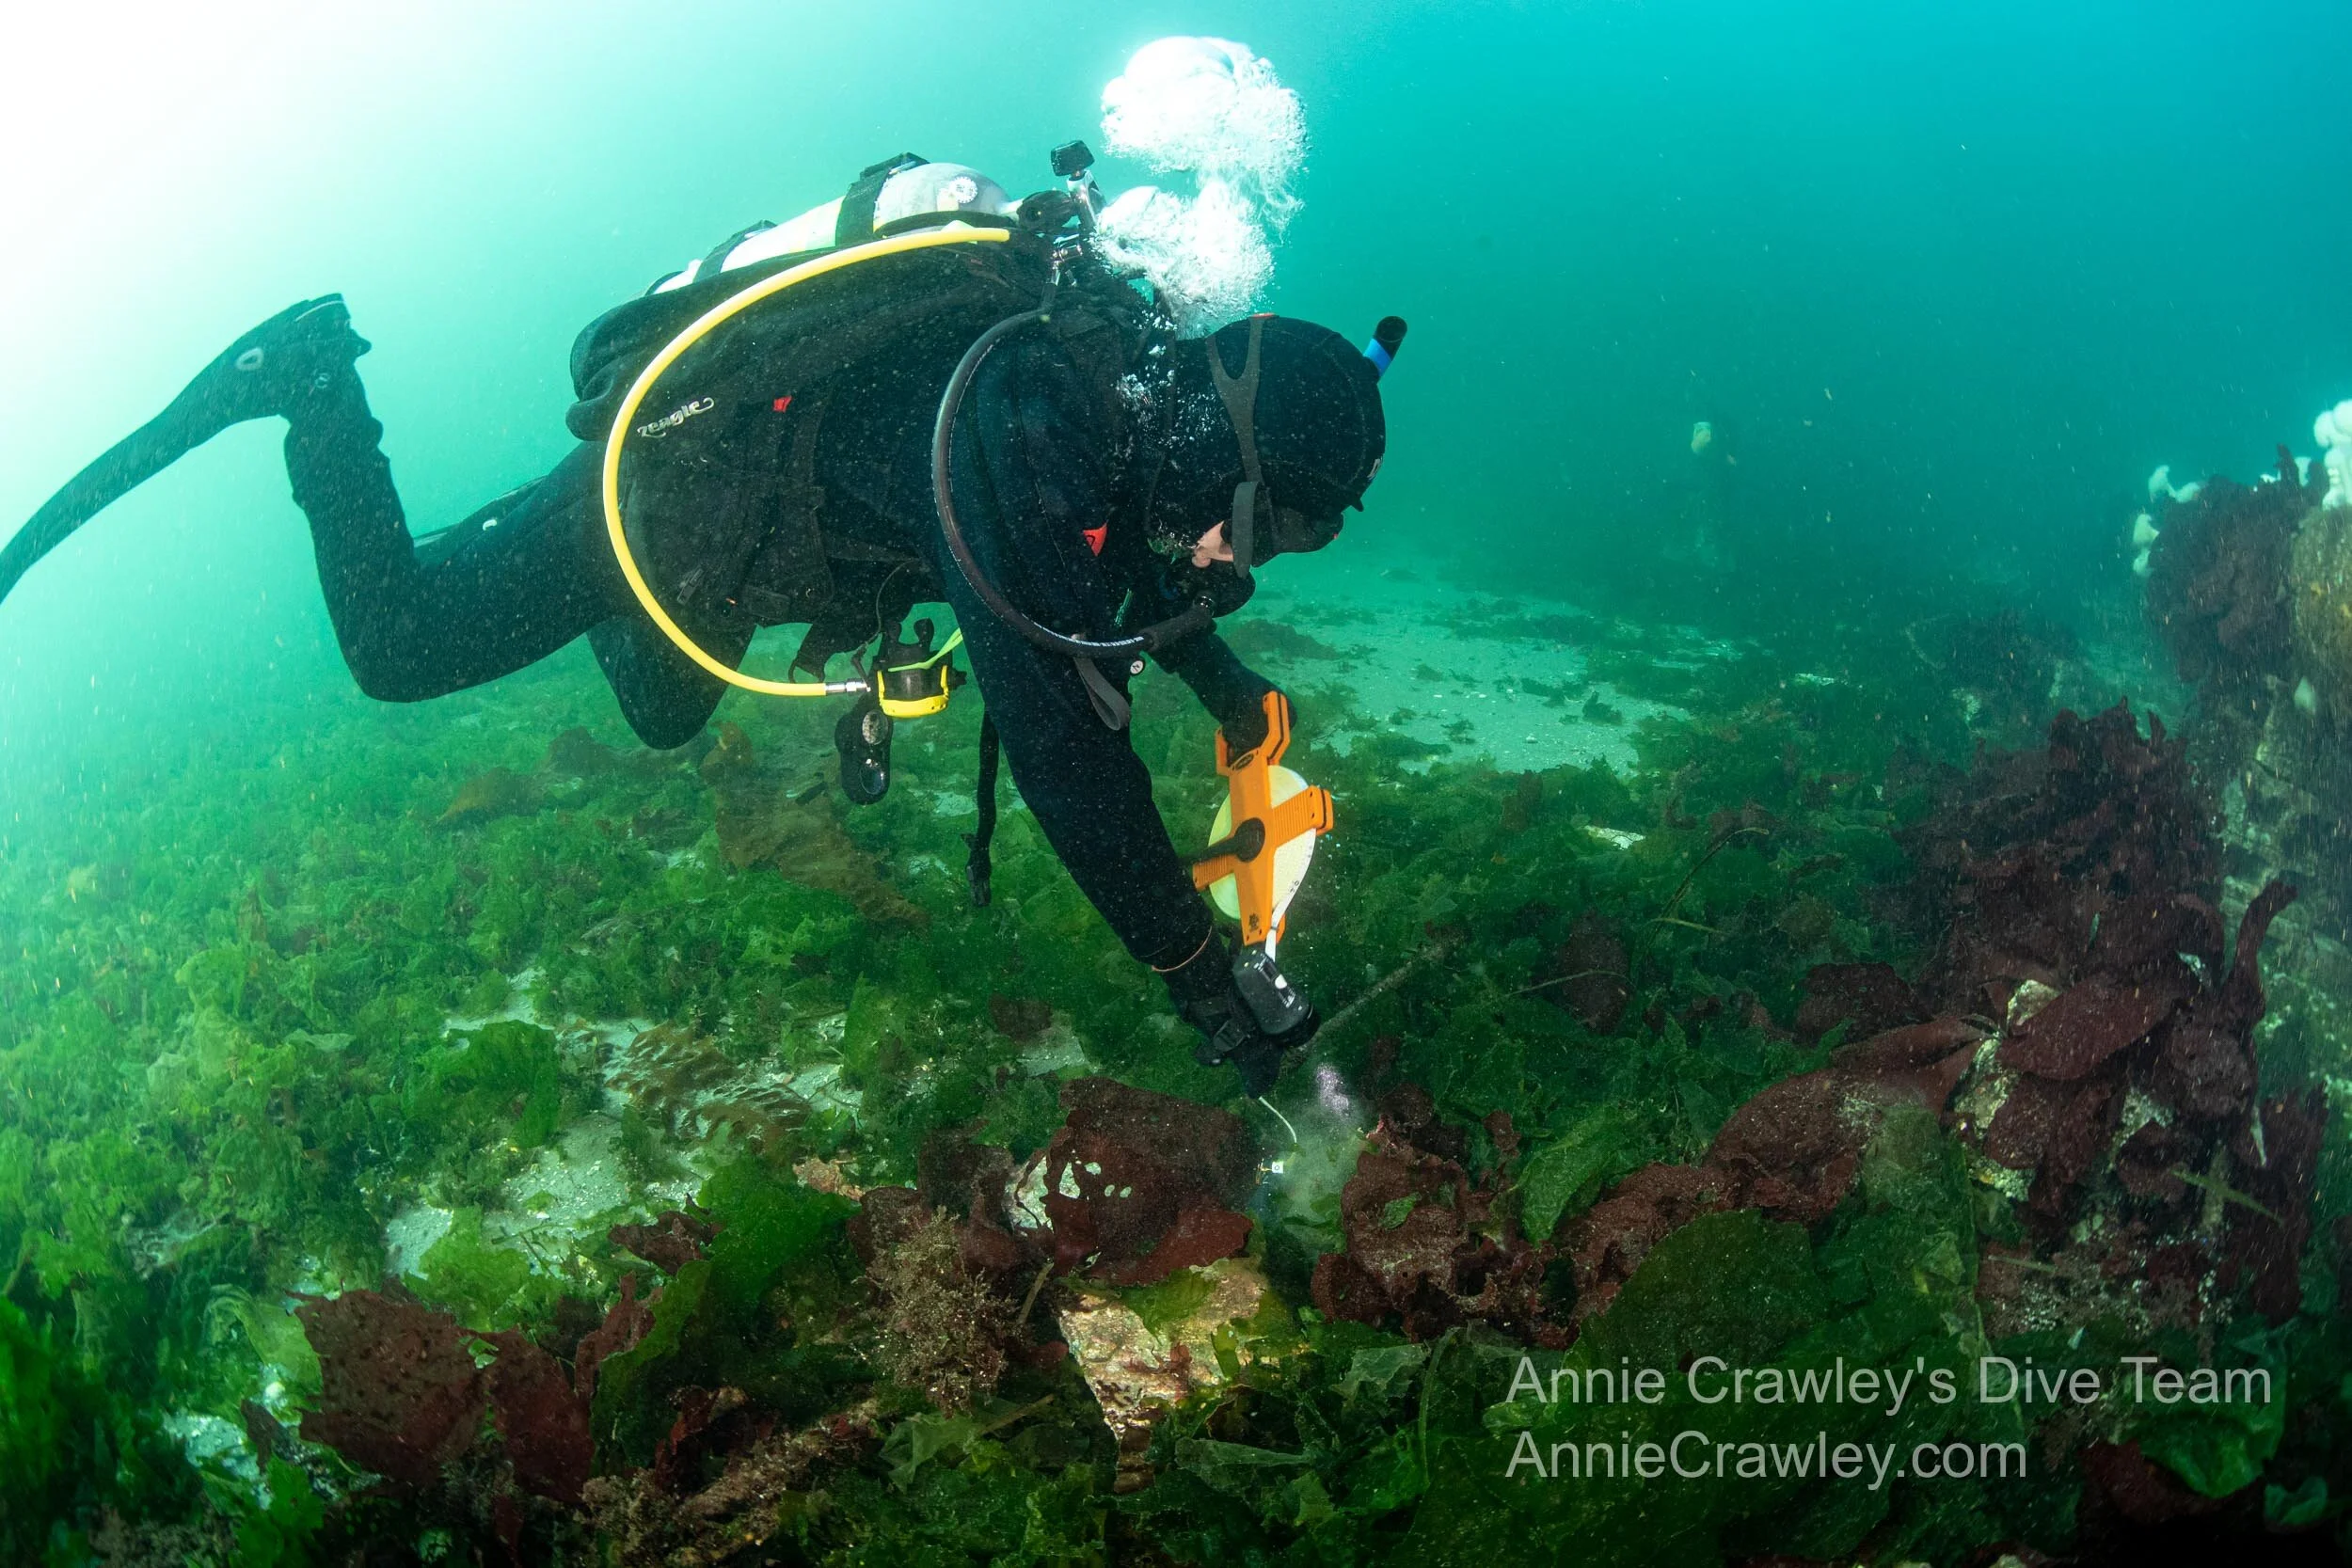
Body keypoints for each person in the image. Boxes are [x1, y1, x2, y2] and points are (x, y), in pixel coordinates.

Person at [0, 156, 1390, 1093]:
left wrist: (1231, 692)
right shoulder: (1029, 412)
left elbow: (1118, 580)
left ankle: (572, 584)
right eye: (1267, 524)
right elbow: (1066, 746)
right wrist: (1199, 975)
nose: (1243, 560)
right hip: (662, 509)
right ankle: (312, 380)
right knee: (400, 644)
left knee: (665, 712)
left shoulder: (1107, 409)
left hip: (725, 574)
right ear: (1227, 442)